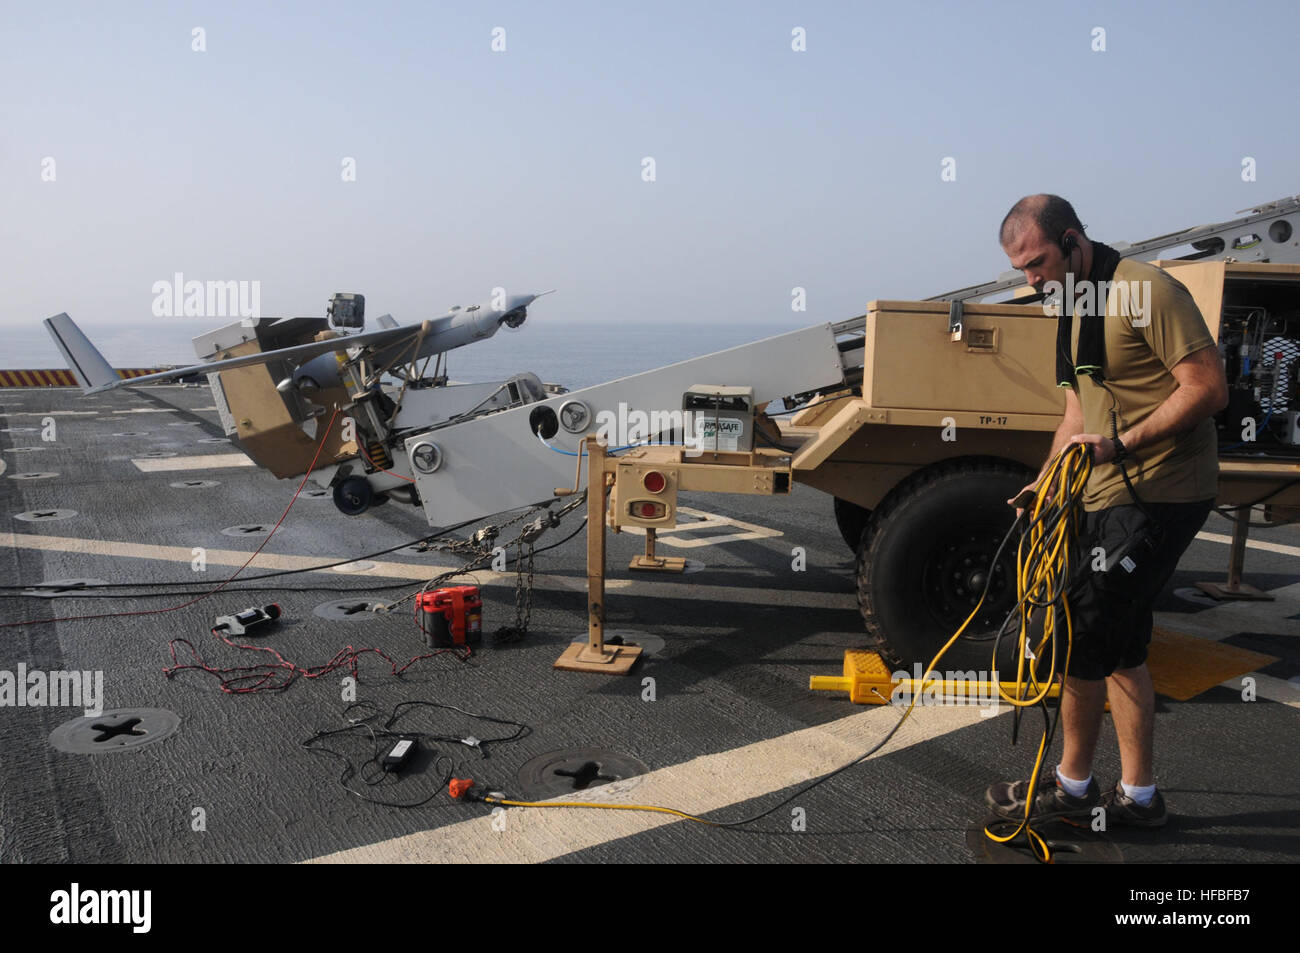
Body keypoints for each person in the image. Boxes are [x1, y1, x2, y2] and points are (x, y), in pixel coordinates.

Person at [986, 194, 1228, 828]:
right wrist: (1043, 485)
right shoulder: (1072, 304)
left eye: (1037, 262)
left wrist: (1122, 444)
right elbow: (1076, 414)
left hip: (1162, 491)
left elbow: (1207, 387)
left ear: (1072, 240)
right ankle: (1121, 795)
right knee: (1109, 644)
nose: (1031, 280)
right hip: (1101, 491)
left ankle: (1084, 793)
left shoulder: (1145, 291)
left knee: (1086, 639)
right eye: (1021, 270)